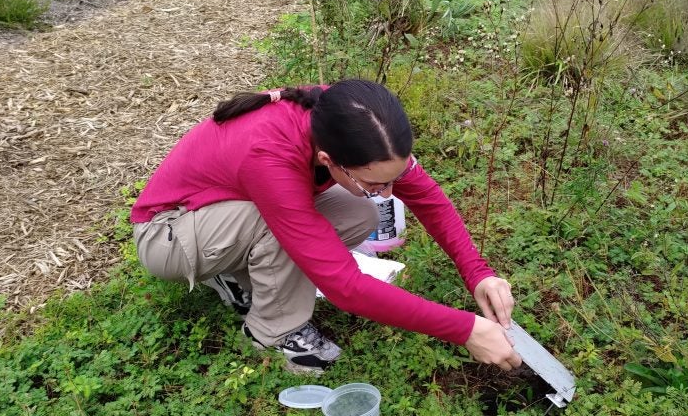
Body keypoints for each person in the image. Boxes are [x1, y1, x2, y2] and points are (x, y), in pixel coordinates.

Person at [131, 79, 522, 375]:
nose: (388, 193)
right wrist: (464, 329)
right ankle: (271, 330)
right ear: (327, 159)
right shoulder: (270, 155)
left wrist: (479, 274)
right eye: (375, 183)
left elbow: (429, 199)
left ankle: (235, 275)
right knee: (283, 223)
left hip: (221, 216)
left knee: (360, 213)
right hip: (168, 235)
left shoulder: (352, 120)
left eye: (393, 178)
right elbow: (346, 288)